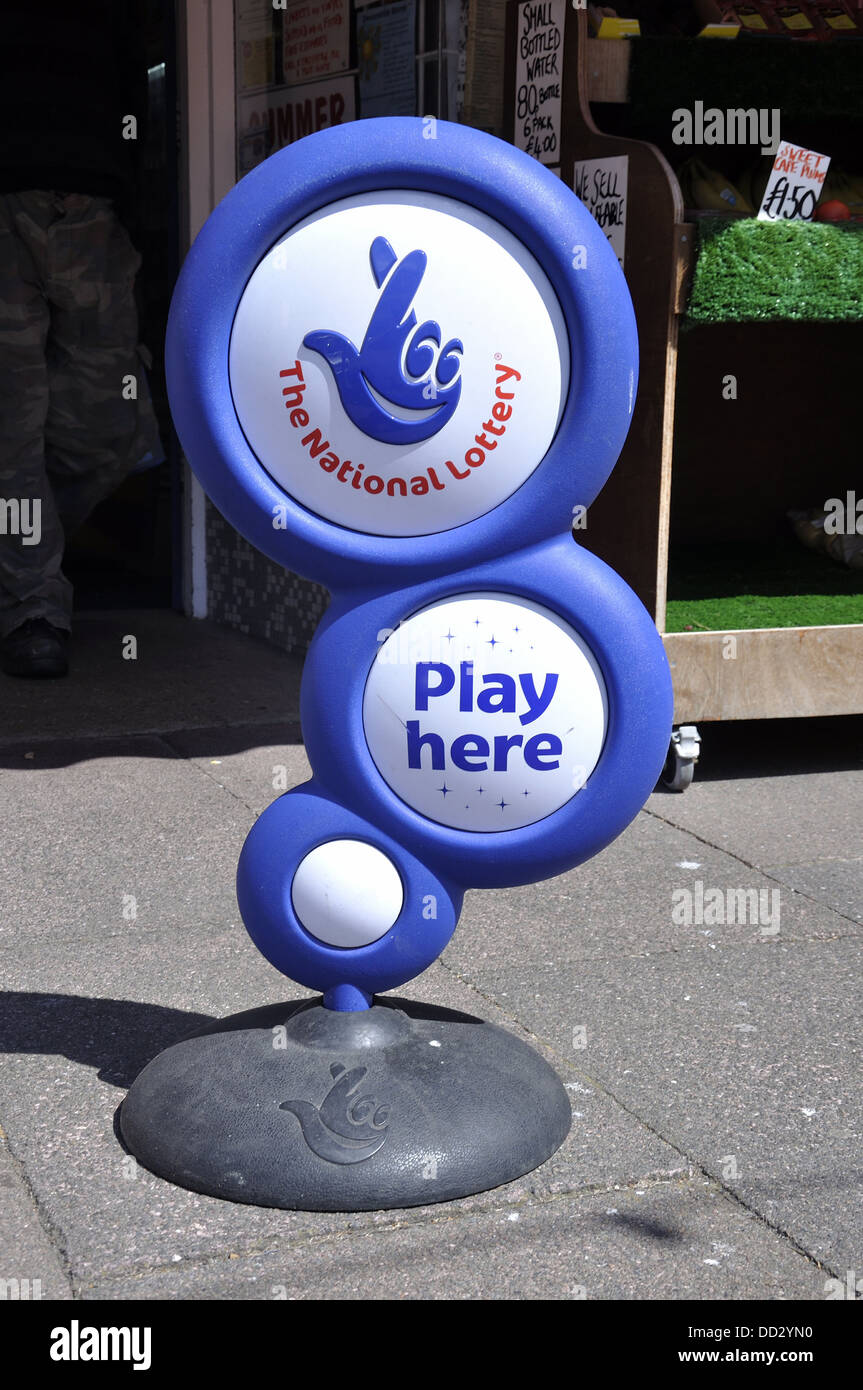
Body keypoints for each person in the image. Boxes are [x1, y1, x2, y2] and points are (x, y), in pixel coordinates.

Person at [0, 1, 161, 678]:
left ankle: (25, 558)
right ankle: (32, 608)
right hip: (6, 206)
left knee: (109, 423)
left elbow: (135, 88)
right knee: (11, 432)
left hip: (92, 206)